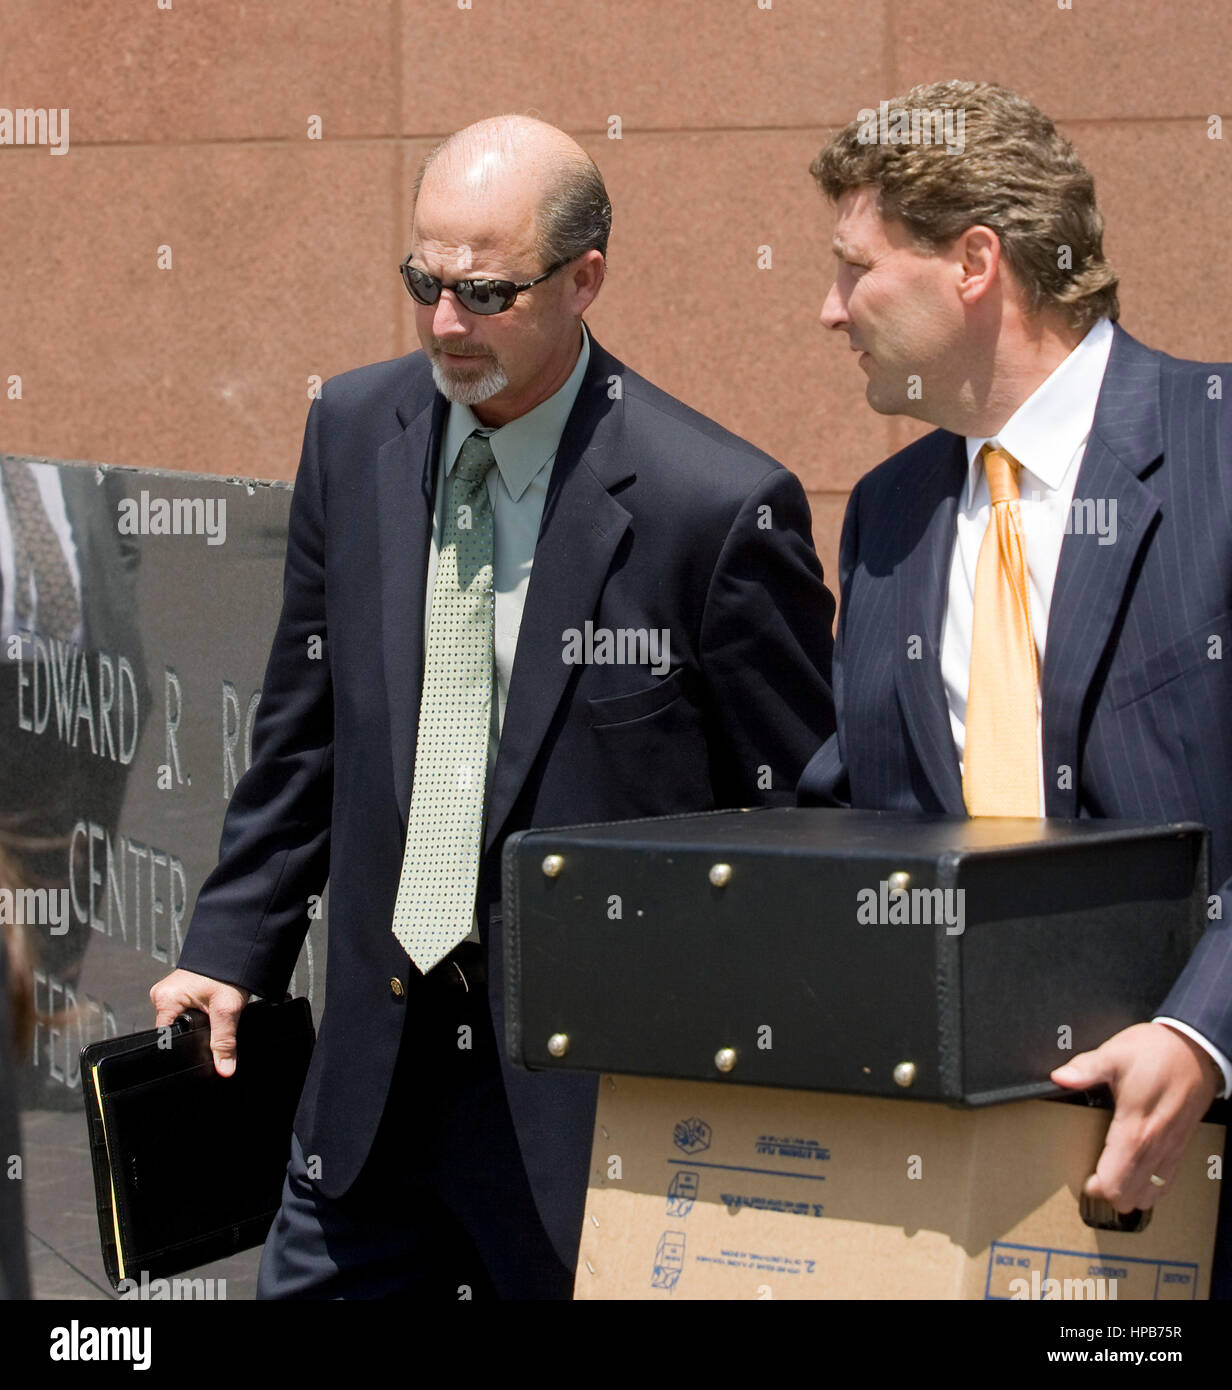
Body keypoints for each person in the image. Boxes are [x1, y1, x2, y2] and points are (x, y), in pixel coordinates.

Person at [150, 114, 837, 1299]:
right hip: (367, 1088)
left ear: (585, 281)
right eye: (422, 281)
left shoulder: (712, 508)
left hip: (588, 1121)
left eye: (484, 292)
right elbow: (304, 727)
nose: (443, 324)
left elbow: (804, 834)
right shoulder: (354, 430)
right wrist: (229, 948)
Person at [798, 80, 1232, 1292]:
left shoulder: (1215, 448)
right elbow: (866, 814)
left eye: (854, 268)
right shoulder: (886, 516)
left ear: (974, 261)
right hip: (975, 1195)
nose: (826, 311)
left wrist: (1204, 1031)